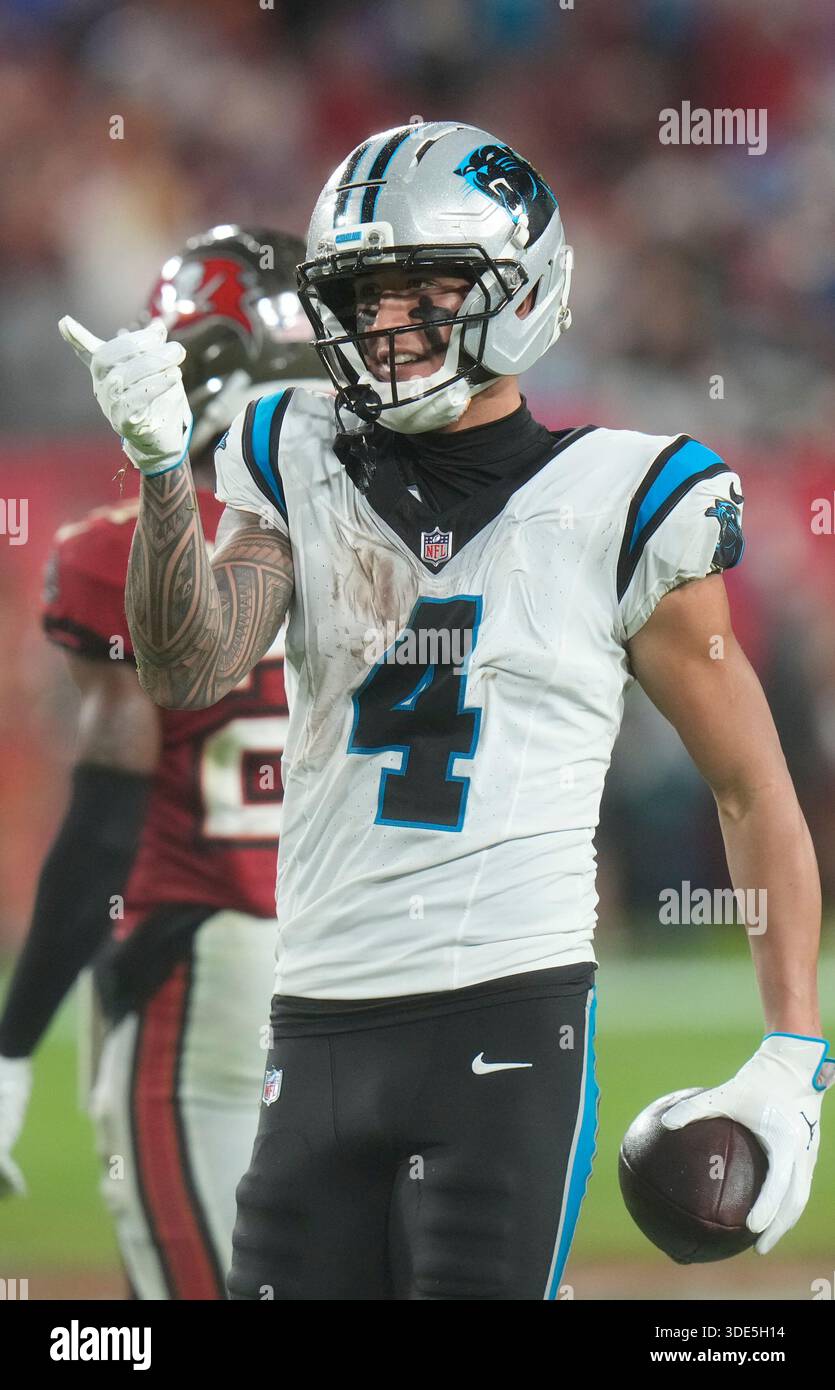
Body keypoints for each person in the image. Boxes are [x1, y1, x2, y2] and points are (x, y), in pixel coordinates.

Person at [60, 121, 832, 1301]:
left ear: (521, 287)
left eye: (426, 289)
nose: (389, 325)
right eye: (366, 298)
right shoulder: (291, 448)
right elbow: (192, 665)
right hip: (312, 1023)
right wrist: (166, 470)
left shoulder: (622, 497)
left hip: (508, 1022)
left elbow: (750, 786)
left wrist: (792, 1048)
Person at [0, 225, 327, 1299]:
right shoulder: (390, 537)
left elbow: (105, 817)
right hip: (368, 973)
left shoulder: (114, 553)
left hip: (201, 967)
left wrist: (12, 1044)